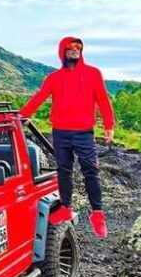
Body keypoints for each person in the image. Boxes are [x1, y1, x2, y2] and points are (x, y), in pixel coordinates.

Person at [19, 36, 115, 238]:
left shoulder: (92, 74)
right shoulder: (54, 78)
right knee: (64, 170)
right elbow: (39, 97)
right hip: (61, 133)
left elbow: (103, 99)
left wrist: (109, 125)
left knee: (91, 170)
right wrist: (22, 116)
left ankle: (97, 214)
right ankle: (65, 207)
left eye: (78, 47)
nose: (75, 50)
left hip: (84, 133)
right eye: (71, 47)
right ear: (63, 51)